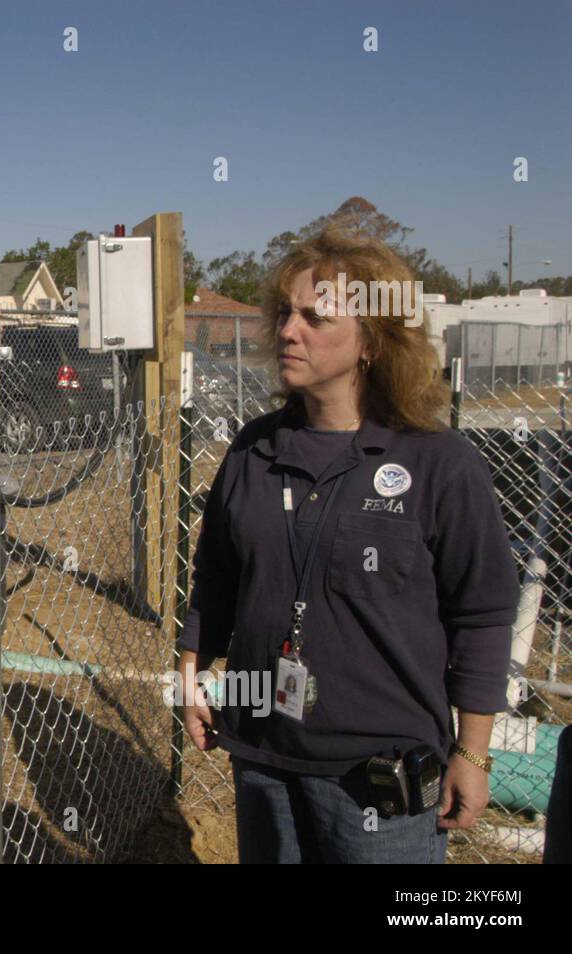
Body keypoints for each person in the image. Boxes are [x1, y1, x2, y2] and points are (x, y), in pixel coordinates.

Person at [177, 226, 518, 864]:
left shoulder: (440, 463)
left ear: (372, 340)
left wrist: (472, 751)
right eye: (284, 314)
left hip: (376, 777)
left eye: (315, 317)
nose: (287, 331)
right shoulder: (254, 449)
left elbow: (482, 612)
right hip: (262, 756)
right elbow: (217, 576)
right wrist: (193, 673)